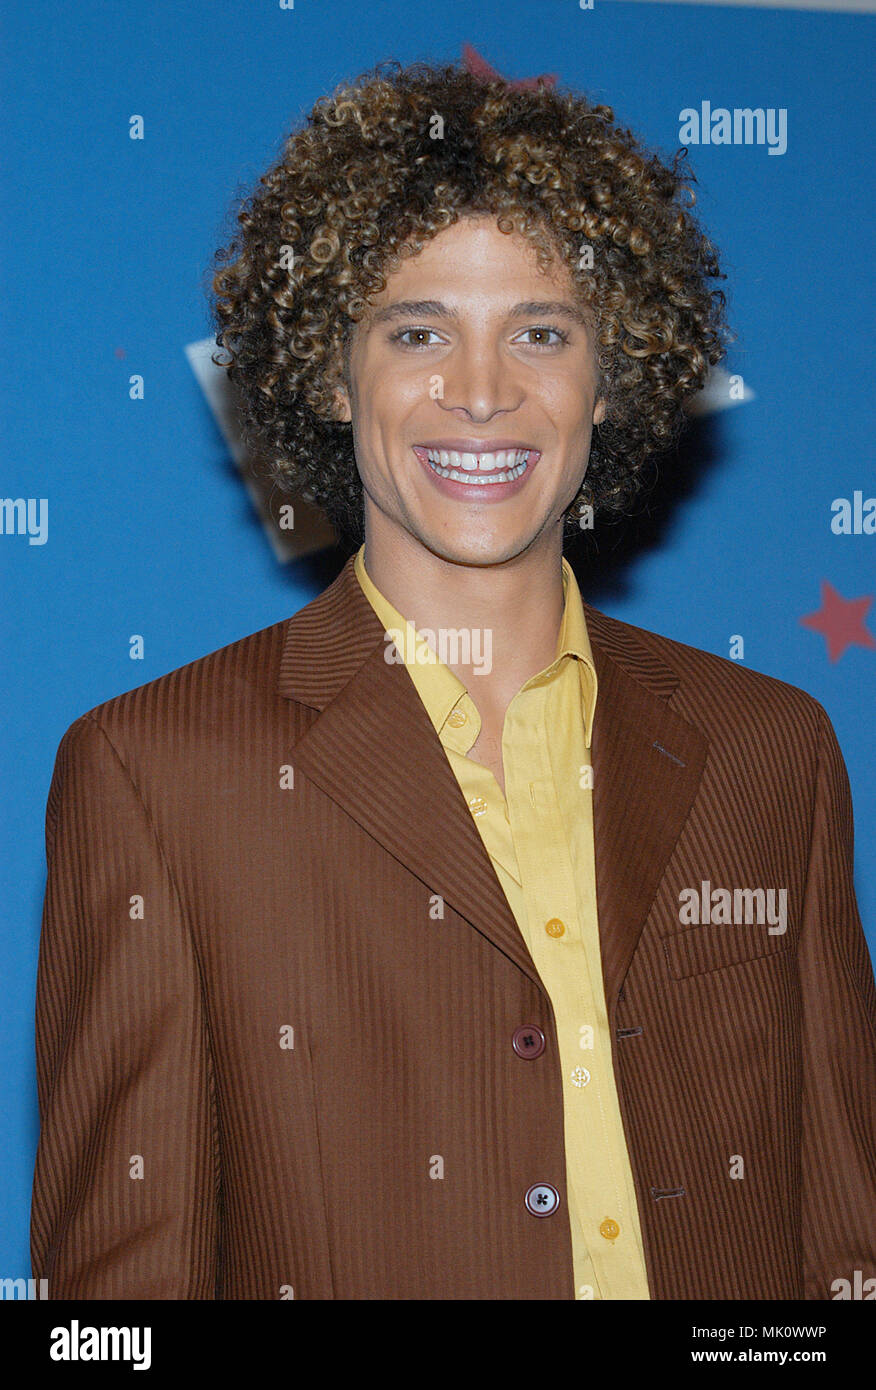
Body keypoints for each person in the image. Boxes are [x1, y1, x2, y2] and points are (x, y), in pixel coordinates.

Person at [31, 58, 875, 1300]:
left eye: (541, 332)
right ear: (330, 371)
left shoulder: (772, 748)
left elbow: (845, 1246)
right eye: (418, 332)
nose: (481, 393)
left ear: (613, 374)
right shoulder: (154, 772)